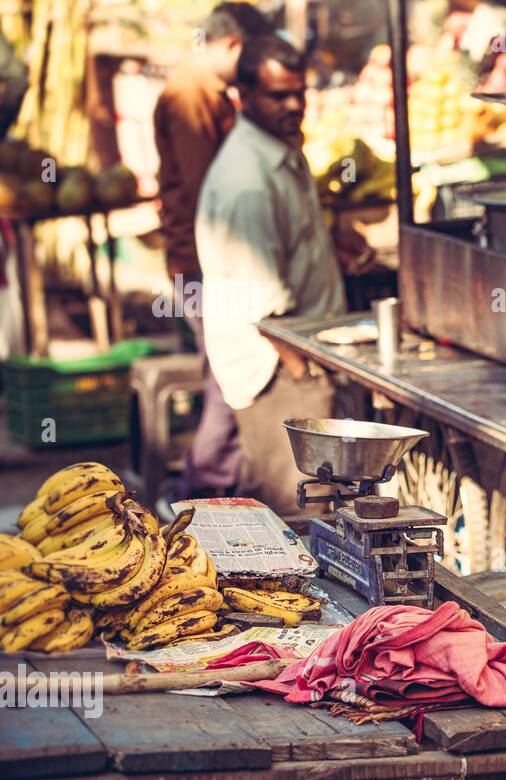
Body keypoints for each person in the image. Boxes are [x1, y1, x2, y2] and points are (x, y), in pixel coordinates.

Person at [195, 35, 345, 519]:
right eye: (278, 96)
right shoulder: (246, 182)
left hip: (298, 355)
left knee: (319, 510)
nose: (294, 105)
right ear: (243, 96)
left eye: (299, 92)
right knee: (302, 514)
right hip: (277, 366)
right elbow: (266, 311)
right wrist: (306, 374)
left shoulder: (279, 149)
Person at [154, 2, 271, 498]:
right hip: (204, 268)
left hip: (214, 266)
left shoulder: (211, 93)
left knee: (227, 382)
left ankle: (212, 501)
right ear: (232, 45)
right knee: (227, 386)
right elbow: (211, 190)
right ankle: (196, 504)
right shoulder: (189, 95)